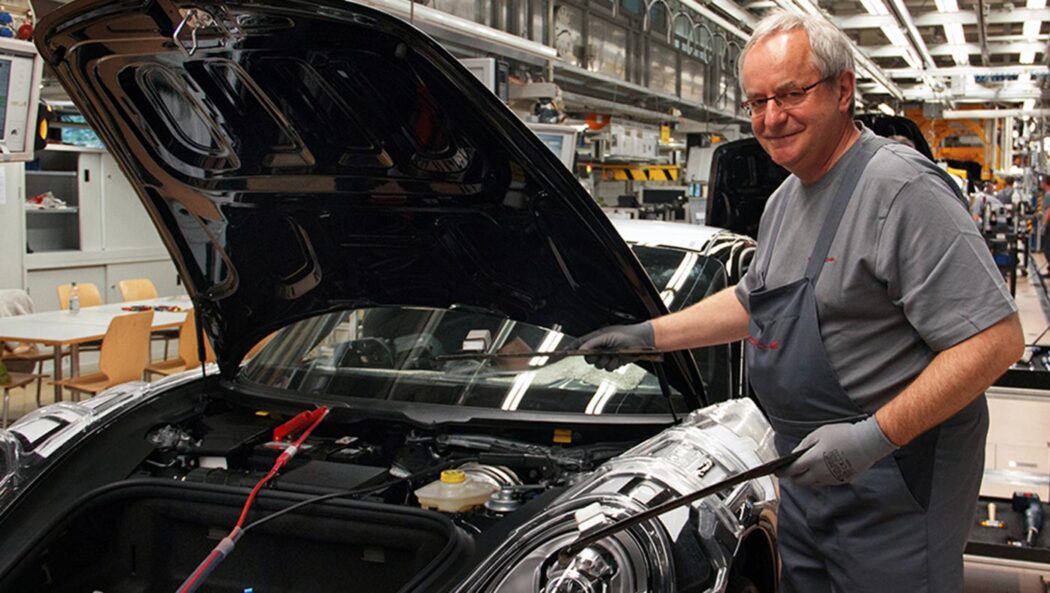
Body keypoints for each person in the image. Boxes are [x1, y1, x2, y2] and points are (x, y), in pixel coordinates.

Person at [579, 11, 1023, 593]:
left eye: (791, 93)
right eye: (757, 101)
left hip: (895, 484)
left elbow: (994, 340)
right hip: (808, 476)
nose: (771, 117)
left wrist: (872, 438)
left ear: (844, 90)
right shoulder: (786, 198)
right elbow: (754, 300)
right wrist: (651, 334)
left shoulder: (902, 190)